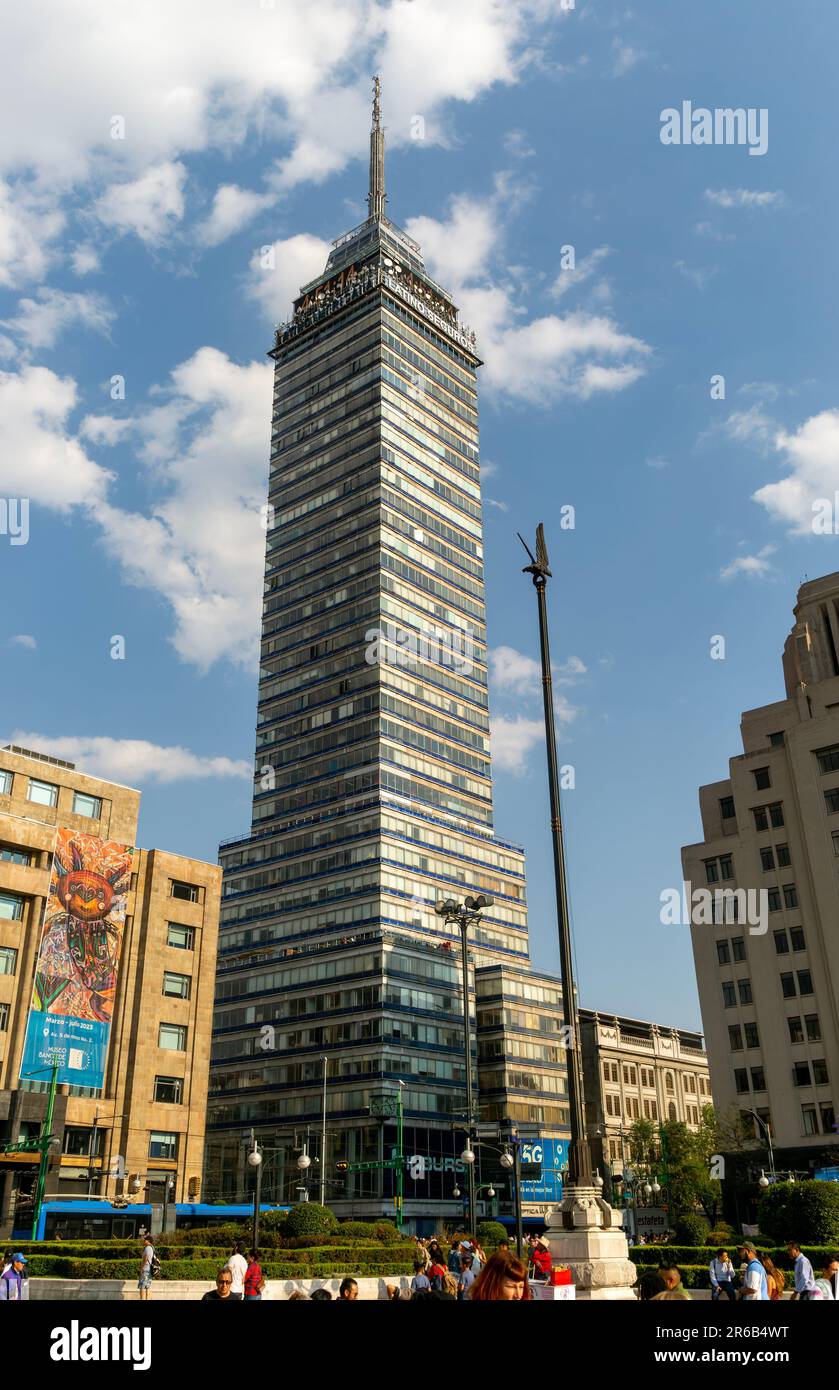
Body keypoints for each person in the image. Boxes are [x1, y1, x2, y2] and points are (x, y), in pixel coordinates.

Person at [137, 1236, 155, 1302]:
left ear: (148, 1241)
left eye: (145, 1240)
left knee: (142, 1286)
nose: (144, 1241)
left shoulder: (147, 1248)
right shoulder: (152, 1247)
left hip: (145, 1269)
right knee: (148, 1287)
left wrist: (141, 1268)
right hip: (149, 1269)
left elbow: (145, 1258)